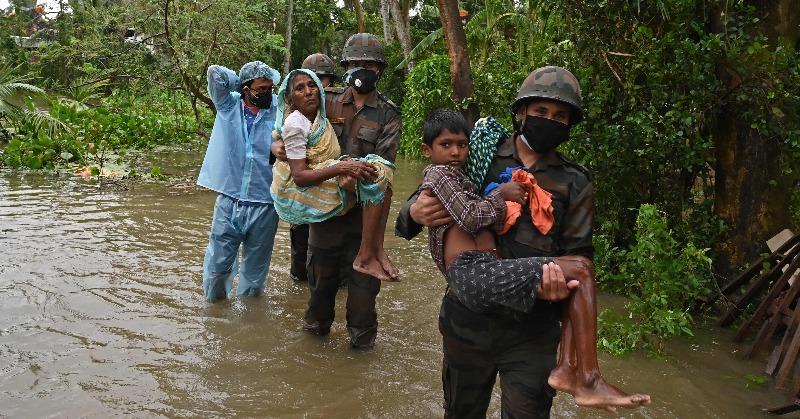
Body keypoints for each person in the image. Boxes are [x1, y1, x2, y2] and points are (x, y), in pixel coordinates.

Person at [396, 66, 650, 416]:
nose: (549, 120)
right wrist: (413, 213)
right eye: (541, 112)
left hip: (533, 331)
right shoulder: (477, 153)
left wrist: (560, 285)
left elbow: (578, 256)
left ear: (569, 125)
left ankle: (579, 375)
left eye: (560, 116)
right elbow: (422, 200)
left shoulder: (575, 181)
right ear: (521, 113)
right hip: (468, 323)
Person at [272, 33, 401, 348]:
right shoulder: (325, 98)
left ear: (380, 69)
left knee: (362, 299)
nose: (363, 69)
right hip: (324, 213)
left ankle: (359, 357)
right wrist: (276, 144)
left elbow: (383, 166)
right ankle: (313, 359)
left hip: (363, 220)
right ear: (345, 66)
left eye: (369, 64)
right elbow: (288, 126)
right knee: (319, 291)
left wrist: (356, 178)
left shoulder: (388, 112)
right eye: (356, 63)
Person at [270, 68, 396, 282]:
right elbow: (299, 176)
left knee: (380, 178)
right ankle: (368, 254)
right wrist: (342, 168)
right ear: (290, 98)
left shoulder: (322, 113)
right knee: (373, 181)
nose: (309, 92)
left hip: (327, 173)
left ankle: (374, 250)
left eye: (313, 86)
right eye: (300, 89)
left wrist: (344, 163)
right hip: (308, 183)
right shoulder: (296, 123)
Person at [197, 61, 281, 302]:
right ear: (245, 89)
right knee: (217, 269)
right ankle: (215, 316)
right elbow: (214, 72)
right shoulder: (228, 104)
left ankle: (249, 327)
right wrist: (241, 81)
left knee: (255, 277)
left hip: (265, 203)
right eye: (260, 89)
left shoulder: (278, 109)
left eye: (269, 88)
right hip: (229, 199)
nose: (266, 94)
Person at [287, 53, 342, 282]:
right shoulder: (292, 119)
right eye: (304, 85)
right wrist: (276, 146)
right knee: (301, 258)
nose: (313, 89)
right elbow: (282, 152)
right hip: (302, 197)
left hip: (332, 199)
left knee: (332, 261)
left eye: (320, 81)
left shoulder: (338, 111)